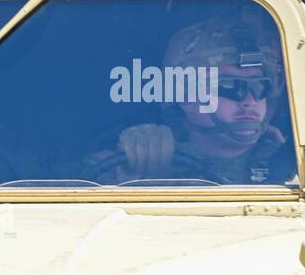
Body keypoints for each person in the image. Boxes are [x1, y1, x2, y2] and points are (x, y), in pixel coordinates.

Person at [84, 17, 291, 184]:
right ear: (186, 97)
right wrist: (126, 177)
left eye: (260, 87)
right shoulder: (132, 163)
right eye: (230, 87)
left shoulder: (294, 166)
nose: (249, 101)